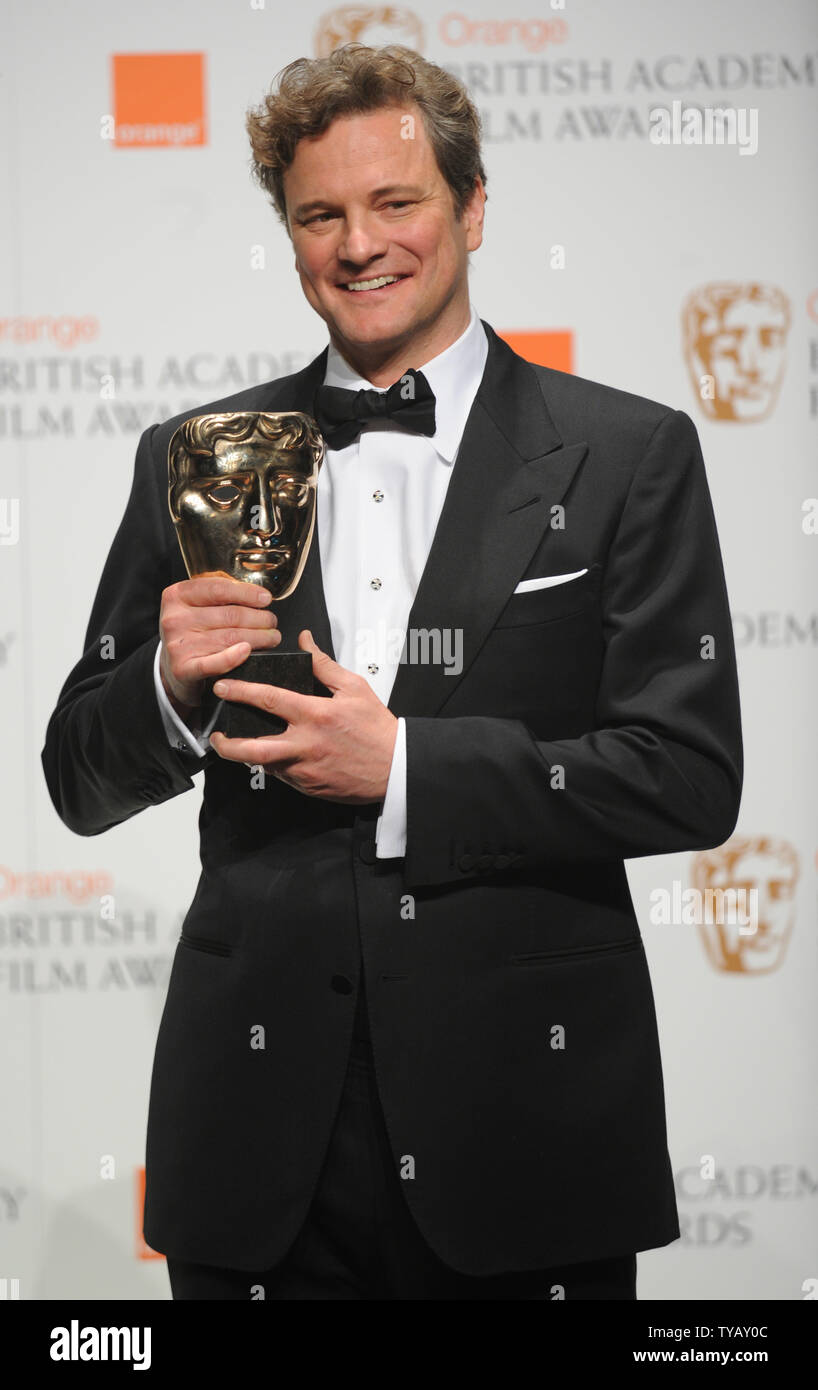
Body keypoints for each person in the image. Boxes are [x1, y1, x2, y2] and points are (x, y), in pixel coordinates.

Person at [41, 43, 743, 1301]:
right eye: (320, 215)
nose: (358, 244)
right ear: (290, 235)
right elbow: (77, 779)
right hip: (257, 1146)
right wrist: (169, 688)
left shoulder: (627, 452)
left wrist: (409, 769)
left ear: (471, 206)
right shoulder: (194, 458)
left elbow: (685, 775)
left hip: (524, 1123)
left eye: (396, 202)